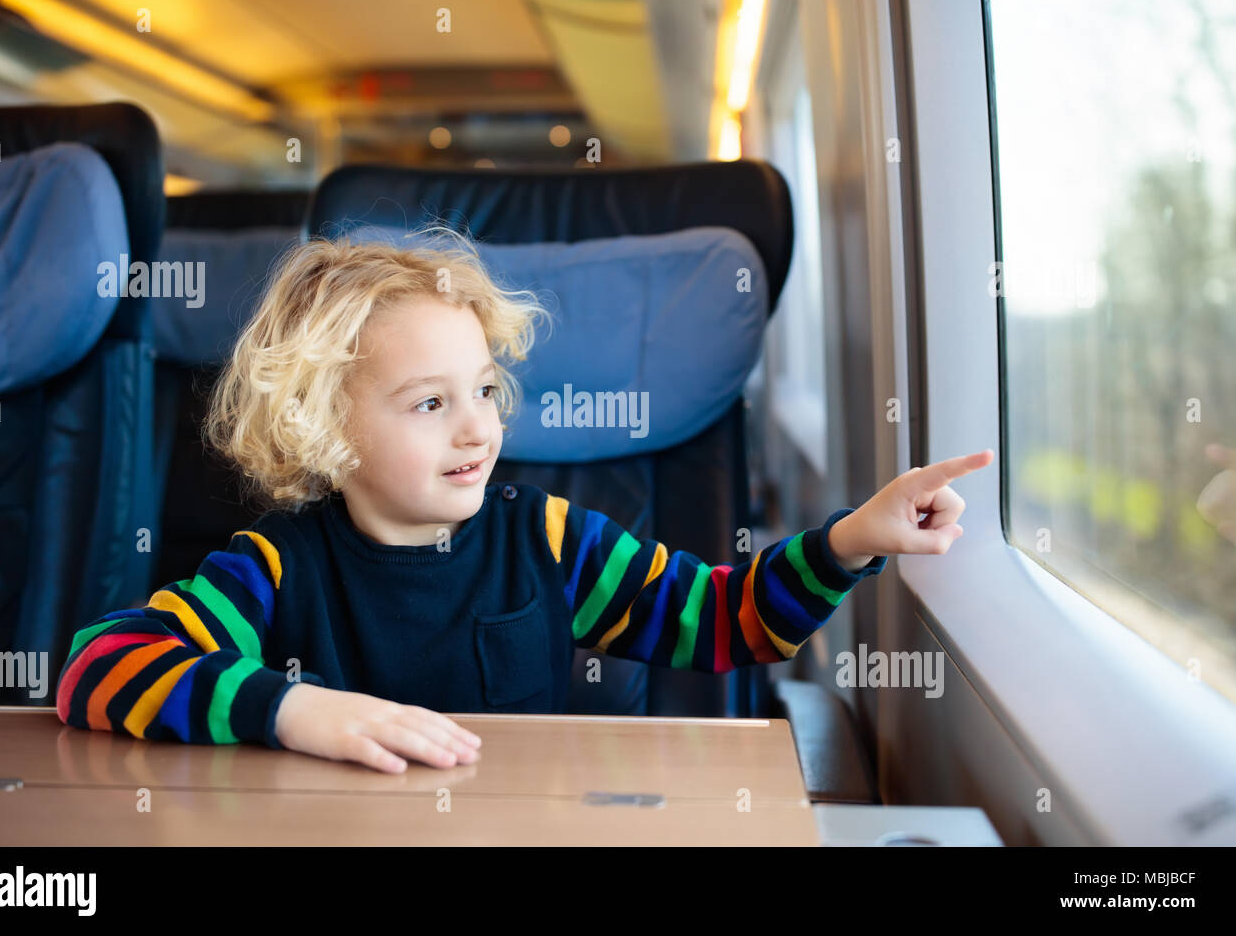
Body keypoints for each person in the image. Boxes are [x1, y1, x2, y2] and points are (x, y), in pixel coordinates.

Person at [55, 229, 994, 774]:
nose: (478, 429)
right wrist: (296, 711)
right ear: (325, 429)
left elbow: (723, 620)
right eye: (430, 403)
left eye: (484, 391)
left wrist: (845, 543)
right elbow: (99, 666)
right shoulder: (274, 568)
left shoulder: (548, 540)